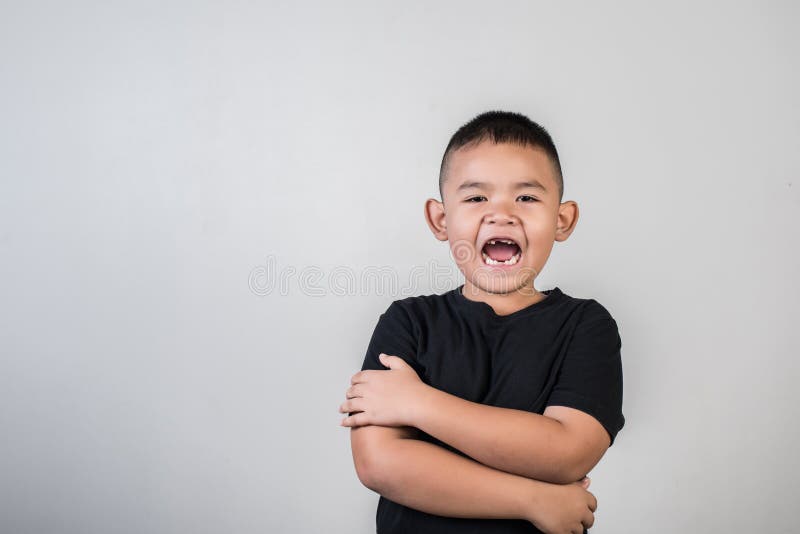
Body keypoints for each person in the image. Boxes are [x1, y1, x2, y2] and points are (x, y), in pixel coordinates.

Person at [338, 110, 625, 534]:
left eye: (526, 198)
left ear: (562, 220)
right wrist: (533, 499)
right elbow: (379, 462)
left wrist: (418, 403)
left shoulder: (585, 326)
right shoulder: (408, 322)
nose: (501, 214)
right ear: (440, 219)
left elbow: (568, 450)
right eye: (476, 198)